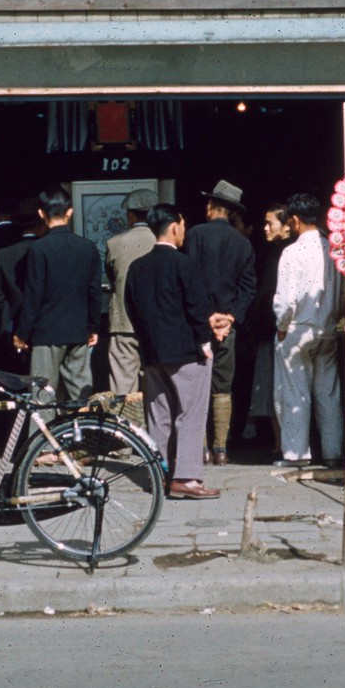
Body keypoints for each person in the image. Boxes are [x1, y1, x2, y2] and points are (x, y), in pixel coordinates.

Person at [124, 203, 221, 500]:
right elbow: (197, 308)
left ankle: (160, 473)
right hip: (186, 352)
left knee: (159, 416)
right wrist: (205, 343)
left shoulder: (136, 267)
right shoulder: (184, 263)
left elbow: (131, 308)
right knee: (191, 414)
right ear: (175, 225)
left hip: (153, 353)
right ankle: (187, 477)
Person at [12, 187, 106, 405]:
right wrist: (93, 326)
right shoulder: (88, 247)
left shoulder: (38, 249)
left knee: (43, 399)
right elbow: (94, 292)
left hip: (46, 333)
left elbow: (33, 294)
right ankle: (84, 427)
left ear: (41, 214)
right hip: (78, 331)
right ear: (70, 212)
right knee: (81, 397)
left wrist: (22, 332)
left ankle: (44, 430)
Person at [184, 179, 256, 465]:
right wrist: (230, 317)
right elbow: (248, 287)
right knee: (223, 386)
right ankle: (221, 449)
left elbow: (189, 279)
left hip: (199, 323)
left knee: (198, 384)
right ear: (233, 212)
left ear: (210, 206)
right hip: (228, 327)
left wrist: (206, 316)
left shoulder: (194, 235)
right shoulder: (243, 243)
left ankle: (201, 447)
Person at [273, 192, 345, 466]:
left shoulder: (291, 253)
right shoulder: (333, 250)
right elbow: (343, 297)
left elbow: (286, 300)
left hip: (297, 329)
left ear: (294, 219)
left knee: (295, 393)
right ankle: (333, 452)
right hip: (327, 327)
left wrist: (282, 327)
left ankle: (296, 454)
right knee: (328, 394)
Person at [246, 202, 293, 454]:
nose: (265, 228)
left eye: (270, 223)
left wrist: (254, 325)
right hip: (282, 329)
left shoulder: (278, 255)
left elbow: (266, 294)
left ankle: (279, 444)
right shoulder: (282, 251)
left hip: (276, 330)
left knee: (276, 389)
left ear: (286, 226)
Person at [102, 188, 158, 399]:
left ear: (131, 215)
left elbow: (112, 276)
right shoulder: (161, 242)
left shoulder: (114, 243)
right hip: (156, 323)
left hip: (123, 321)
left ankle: (125, 420)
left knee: (123, 386)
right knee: (156, 385)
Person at [0, 194, 43, 374]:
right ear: (41, 224)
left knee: (13, 376)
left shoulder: (3, 254)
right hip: (43, 322)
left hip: (11, 322)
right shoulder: (45, 251)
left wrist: (8, 310)